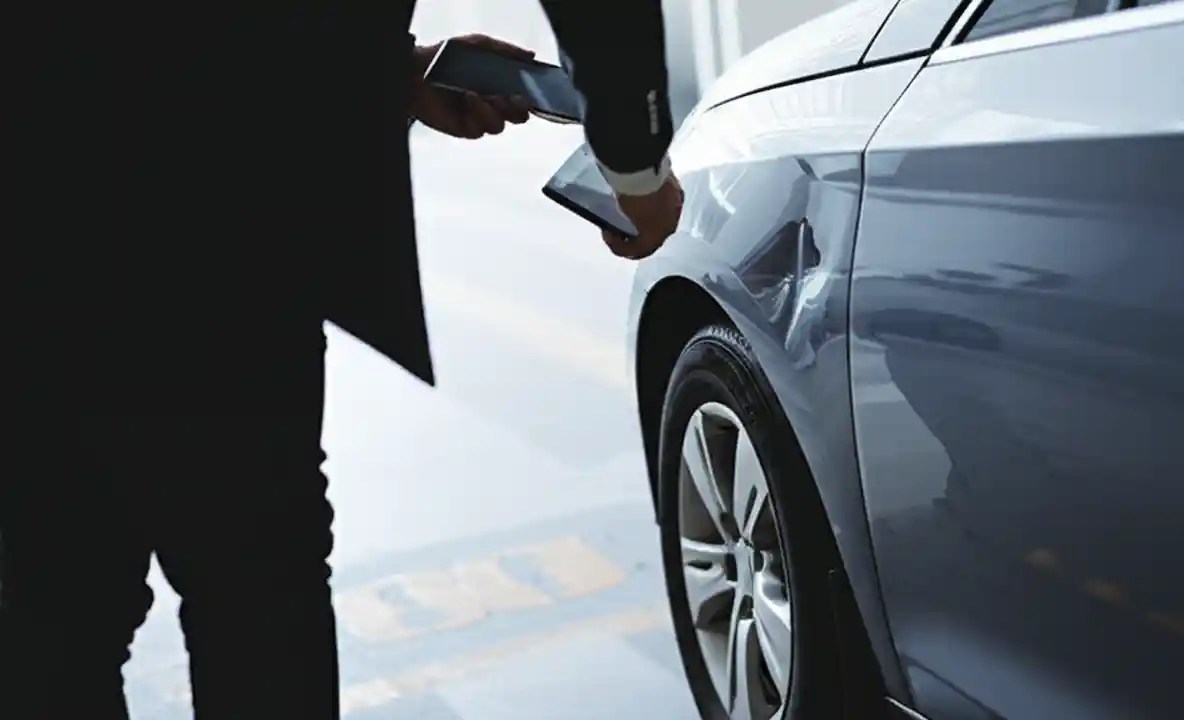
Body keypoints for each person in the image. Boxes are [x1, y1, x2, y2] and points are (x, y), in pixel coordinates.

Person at [0, 1, 679, 719]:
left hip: (32, 231)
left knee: (58, 601)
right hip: (221, 249)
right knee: (253, 591)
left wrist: (390, 75)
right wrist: (633, 171)